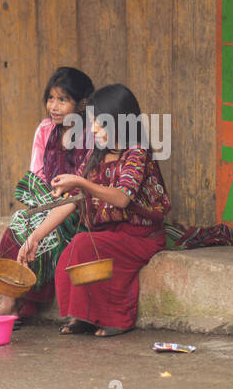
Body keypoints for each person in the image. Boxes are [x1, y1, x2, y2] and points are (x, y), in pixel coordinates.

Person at [51, 84, 170, 338]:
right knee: (72, 252)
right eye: (92, 122)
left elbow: (123, 198)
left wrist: (81, 182)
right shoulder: (96, 155)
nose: (93, 129)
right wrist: (35, 237)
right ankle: (84, 317)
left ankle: (119, 318)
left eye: (100, 123)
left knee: (85, 243)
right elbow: (71, 201)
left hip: (141, 237)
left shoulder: (137, 153)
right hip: (109, 234)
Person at [0, 66, 94, 324]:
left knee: (45, 234)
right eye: (50, 98)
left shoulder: (91, 134)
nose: (54, 106)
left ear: (81, 104)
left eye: (63, 100)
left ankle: (24, 301)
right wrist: (47, 197)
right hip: (47, 198)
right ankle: (10, 299)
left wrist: (59, 197)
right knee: (19, 223)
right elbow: (37, 174)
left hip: (77, 208)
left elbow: (83, 183)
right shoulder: (45, 129)